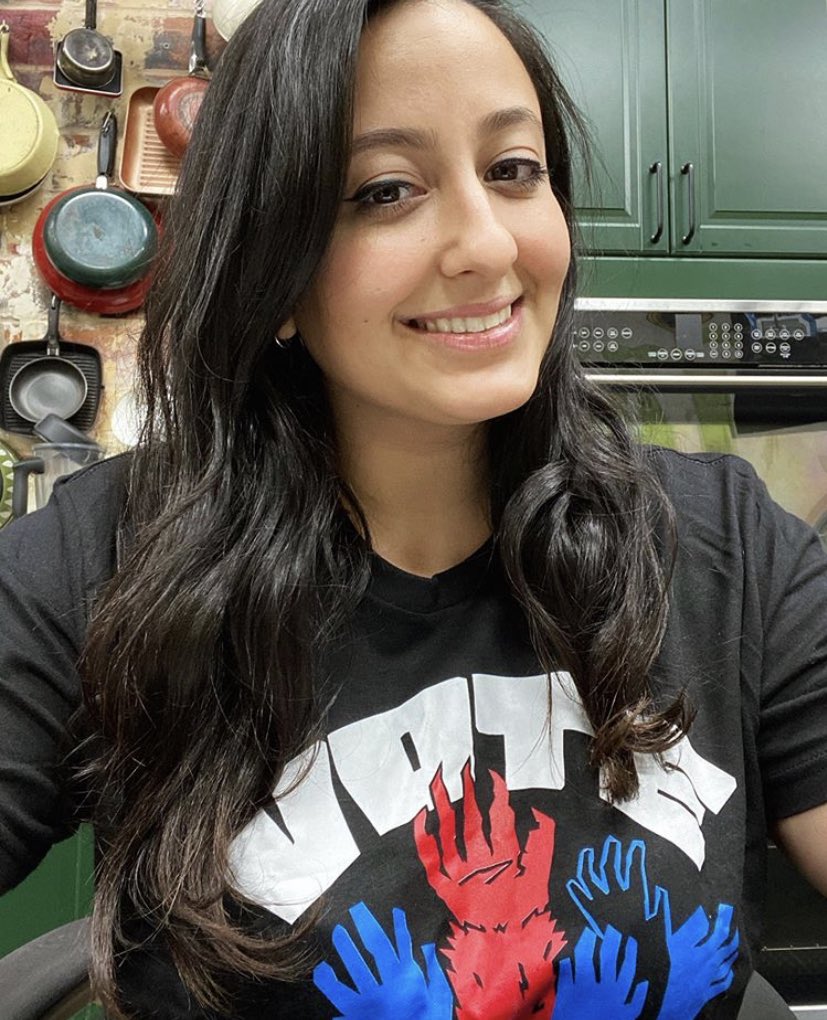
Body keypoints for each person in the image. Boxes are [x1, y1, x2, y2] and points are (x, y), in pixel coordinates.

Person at [1, 0, 826, 1016]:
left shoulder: (726, 545)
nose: (487, 244)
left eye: (512, 170)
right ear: (274, 273)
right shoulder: (102, 560)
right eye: (385, 190)